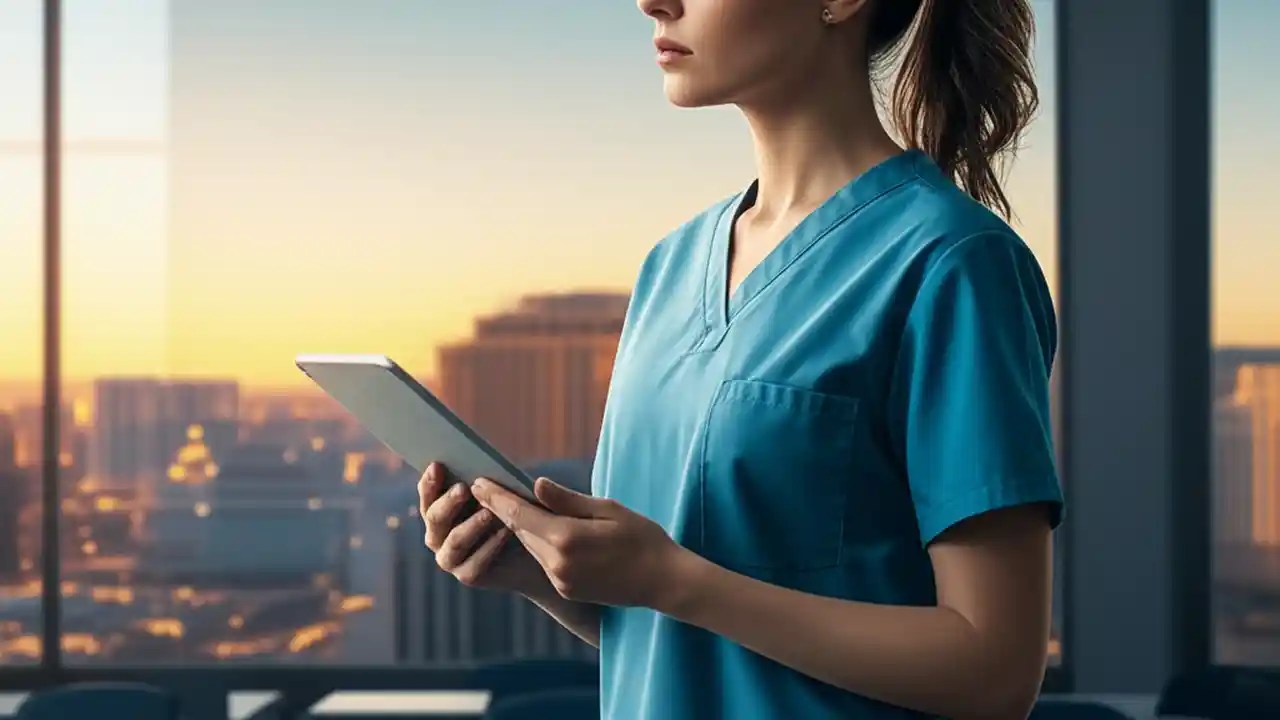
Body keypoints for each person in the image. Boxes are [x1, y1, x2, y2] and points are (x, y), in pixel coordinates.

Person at [418, 0, 1064, 717]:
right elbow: (675, 635)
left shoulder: (952, 265)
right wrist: (544, 574)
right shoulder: (670, 267)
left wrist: (676, 582)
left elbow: (994, 671)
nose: (652, 2)